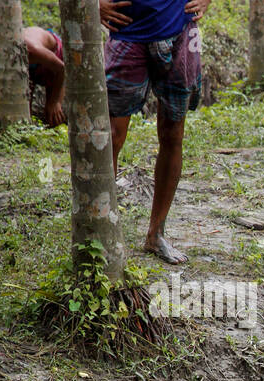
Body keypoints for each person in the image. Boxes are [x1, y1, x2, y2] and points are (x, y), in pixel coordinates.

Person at [99, 0, 210, 264]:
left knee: (173, 134)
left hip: (181, 30)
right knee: (111, 135)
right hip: (128, 32)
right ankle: (104, 235)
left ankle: (156, 234)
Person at [23, 27, 65, 127]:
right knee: (25, 106)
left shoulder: (33, 50)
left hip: (53, 55)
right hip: (30, 66)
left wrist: (55, 101)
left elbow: (61, 69)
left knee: (52, 111)